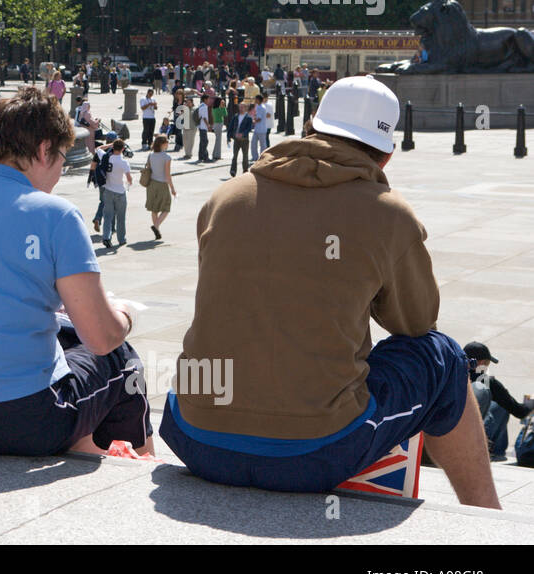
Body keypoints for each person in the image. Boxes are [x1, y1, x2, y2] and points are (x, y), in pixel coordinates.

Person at [161, 77, 502, 509]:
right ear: (387, 155)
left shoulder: (227, 196)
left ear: (309, 127)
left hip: (193, 434)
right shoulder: (388, 213)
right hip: (311, 452)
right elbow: (416, 322)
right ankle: (488, 517)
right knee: (444, 358)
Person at [0, 87, 152, 458]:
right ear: (42, 150)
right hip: (19, 421)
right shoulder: (56, 215)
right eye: (62, 159)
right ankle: (144, 462)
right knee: (121, 357)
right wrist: (125, 316)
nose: (61, 173)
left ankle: (89, 448)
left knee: (63, 344)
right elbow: (101, 338)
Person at [465, 341, 534, 461]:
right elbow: (520, 412)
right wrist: (532, 401)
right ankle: (495, 453)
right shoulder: (486, 381)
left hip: (446, 428)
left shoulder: (451, 371)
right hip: (470, 435)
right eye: (487, 363)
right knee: (501, 406)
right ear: (480, 363)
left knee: (497, 404)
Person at [96, 138, 132, 249]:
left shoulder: (107, 157)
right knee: (121, 217)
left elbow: (98, 148)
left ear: (113, 148)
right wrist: (129, 185)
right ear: (122, 149)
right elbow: (129, 179)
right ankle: (121, 239)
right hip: (120, 191)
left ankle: (106, 237)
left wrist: (110, 144)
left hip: (108, 190)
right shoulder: (123, 162)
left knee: (108, 216)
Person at [145, 135, 175, 240]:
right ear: (163, 144)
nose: (168, 144)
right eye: (167, 142)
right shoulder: (167, 157)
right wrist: (172, 188)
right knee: (166, 207)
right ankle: (156, 226)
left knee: (154, 209)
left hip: (151, 184)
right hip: (162, 184)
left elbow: (149, 169)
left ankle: (157, 231)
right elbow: (168, 175)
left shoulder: (151, 155)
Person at [229, 102, 253, 177]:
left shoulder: (248, 117)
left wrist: (243, 134)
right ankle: (233, 170)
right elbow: (231, 126)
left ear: (246, 108)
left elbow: (249, 128)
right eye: (240, 107)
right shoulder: (236, 116)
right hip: (236, 139)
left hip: (244, 139)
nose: (241, 108)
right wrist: (229, 136)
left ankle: (245, 170)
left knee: (245, 156)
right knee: (235, 155)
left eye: (243, 107)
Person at [196, 93, 211, 163]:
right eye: (208, 99)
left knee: (202, 142)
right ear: (205, 99)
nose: (209, 100)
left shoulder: (200, 105)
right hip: (203, 126)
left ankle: (201, 156)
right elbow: (204, 117)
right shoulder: (204, 107)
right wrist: (208, 125)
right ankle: (205, 157)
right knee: (205, 142)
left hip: (200, 126)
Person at [210, 96, 226, 161]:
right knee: (218, 141)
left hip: (216, 124)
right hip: (219, 124)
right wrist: (223, 106)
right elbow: (225, 114)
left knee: (217, 140)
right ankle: (217, 155)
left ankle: (215, 154)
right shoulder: (218, 109)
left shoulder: (214, 108)